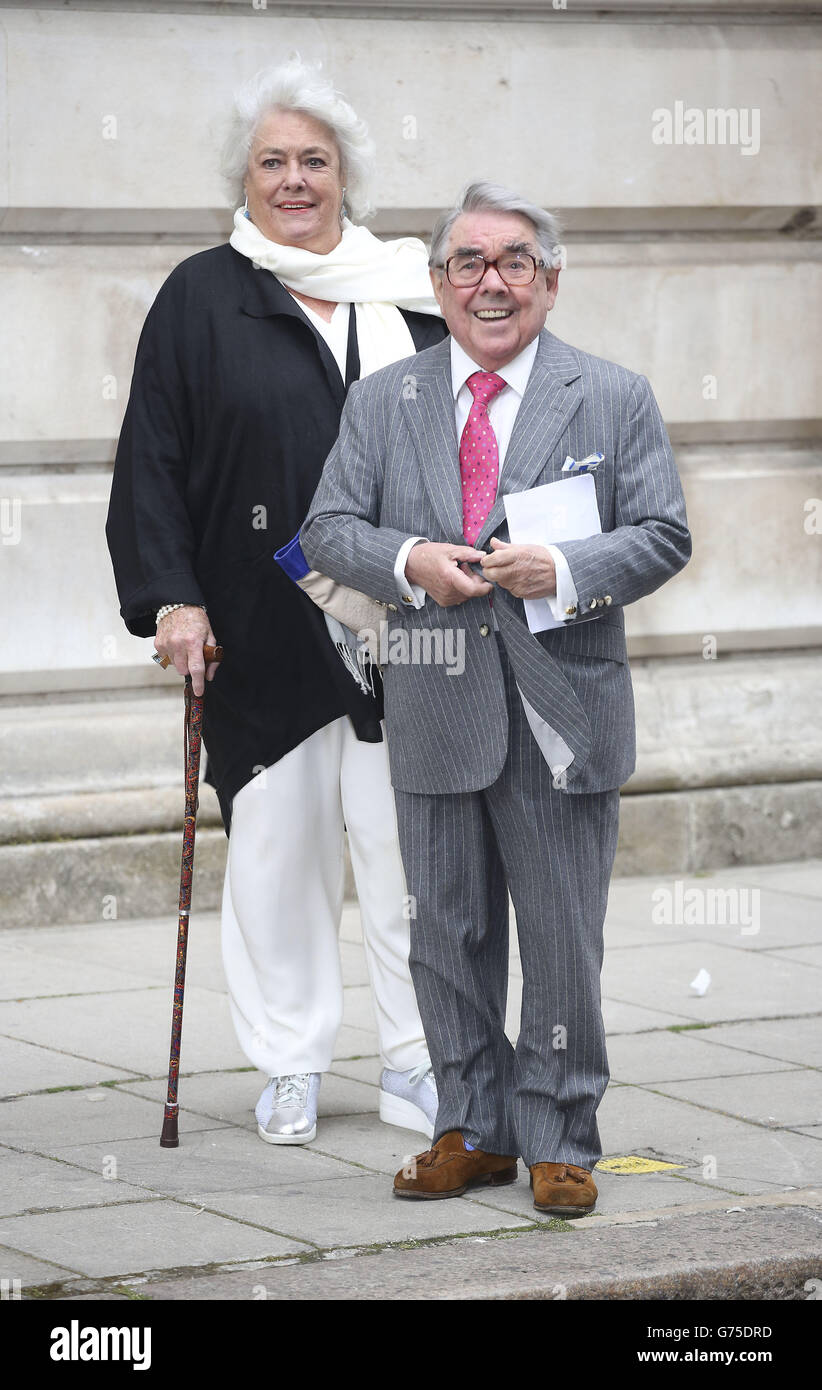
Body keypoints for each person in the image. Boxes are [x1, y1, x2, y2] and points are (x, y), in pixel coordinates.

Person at [302, 181, 691, 1214]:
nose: (491, 282)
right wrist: (411, 557)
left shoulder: (614, 395)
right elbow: (330, 527)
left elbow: (663, 533)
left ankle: (562, 1132)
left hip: (561, 707)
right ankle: (471, 1128)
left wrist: (561, 566)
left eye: (515, 261)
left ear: (551, 282)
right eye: (468, 262)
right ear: (437, 282)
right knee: (446, 932)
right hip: (436, 703)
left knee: (561, 933)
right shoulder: (386, 400)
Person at [106, 59, 447, 1147]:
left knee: (411, 858)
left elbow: (470, 449)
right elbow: (151, 460)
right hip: (260, 629)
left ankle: (418, 1061)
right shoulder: (205, 294)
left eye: (315, 159)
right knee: (277, 853)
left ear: (349, 175)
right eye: (273, 161)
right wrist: (172, 600)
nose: (294, 179)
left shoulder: (411, 291)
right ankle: (291, 1063)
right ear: (243, 179)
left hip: (408, 630)